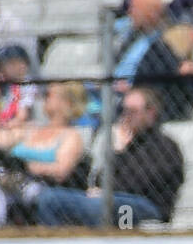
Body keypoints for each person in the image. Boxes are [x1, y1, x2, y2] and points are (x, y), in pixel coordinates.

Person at [34, 86, 182, 226]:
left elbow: (145, 183)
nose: (126, 116)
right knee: (51, 197)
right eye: (123, 110)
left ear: (151, 113)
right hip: (110, 199)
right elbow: (99, 178)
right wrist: (118, 151)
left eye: (132, 111)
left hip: (146, 206)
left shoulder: (164, 146)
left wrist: (107, 190)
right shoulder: (126, 144)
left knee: (100, 206)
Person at [0, 81, 88, 229]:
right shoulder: (30, 128)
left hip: (40, 185)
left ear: (65, 102)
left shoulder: (71, 136)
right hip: (10, 179)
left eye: (48, 94)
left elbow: (61, 171)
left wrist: (25, 166)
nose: (42, 97)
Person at [113, 0, 193, 121]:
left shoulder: (167, 40)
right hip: (114, 91)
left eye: (134, 9)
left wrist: (130, 87)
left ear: (150, 14)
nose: (129, 13)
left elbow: (165, 75)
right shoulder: (131, 38)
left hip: (139, 98)